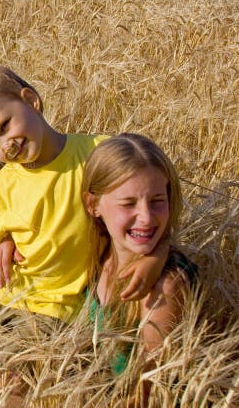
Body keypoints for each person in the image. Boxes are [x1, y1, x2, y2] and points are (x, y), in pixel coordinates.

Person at [0, 66, 168, 323]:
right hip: (21, 307)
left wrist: (157, 256)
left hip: (83, 305)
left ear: (31, 101)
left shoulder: (98, 153)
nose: (6, 146)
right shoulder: (0, 189)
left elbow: (154, 206)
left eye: (5, 126)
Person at [82, 133, 197, 376]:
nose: (146, 217)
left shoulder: (163, 287)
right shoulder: (96, 253)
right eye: (128, 203)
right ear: (93, 205)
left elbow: (149, 389)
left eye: (157, 200)